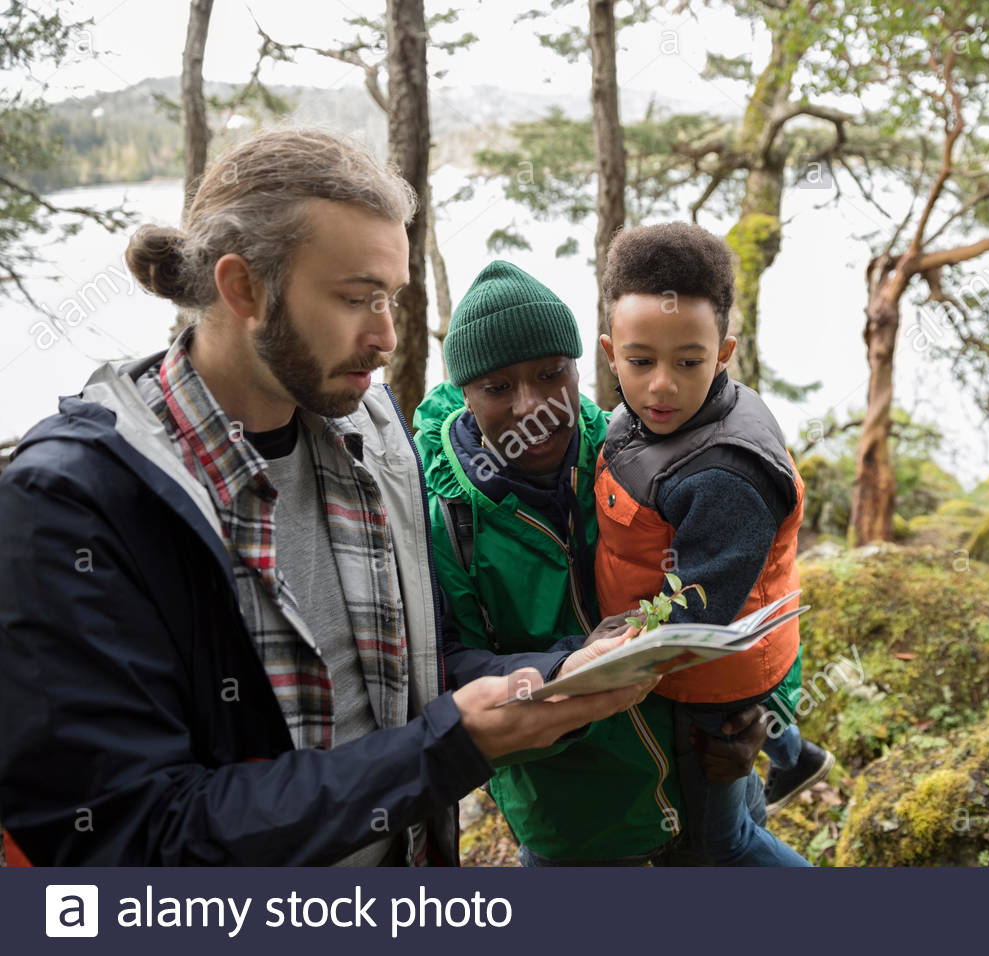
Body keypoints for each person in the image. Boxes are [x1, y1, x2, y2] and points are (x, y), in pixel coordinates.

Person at [0, 128, 651, 866]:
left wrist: (557, 672)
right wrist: (444, 751)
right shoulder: (72, 504)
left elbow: (417, 680)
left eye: (393, 299)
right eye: (357, 299)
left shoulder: (375, 436)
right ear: (243, 287)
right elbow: (127, 835)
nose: (386, 337)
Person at [412, 261, 770, 865]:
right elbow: (446, 666)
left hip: (708, 782)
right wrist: (565, 667)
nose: (533, 406)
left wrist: (759, 710)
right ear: (465, 393)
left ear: (582, 364)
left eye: (551, 374)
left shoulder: (637, 457)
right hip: (579, 826)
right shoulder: (445, 519)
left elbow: (750, 584)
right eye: (498, 388)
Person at [595, 222, 834, 867]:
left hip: (713, 679)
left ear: (724, 352)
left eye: (689, 362)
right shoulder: (654, 418)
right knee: (737, 804)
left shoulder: (724, 474)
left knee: (719, 842)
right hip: (745, 651)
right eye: (641, 362)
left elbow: (699, 611)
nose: (662, 386)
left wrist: (606, 644)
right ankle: (796, 756)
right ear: (610, 353)